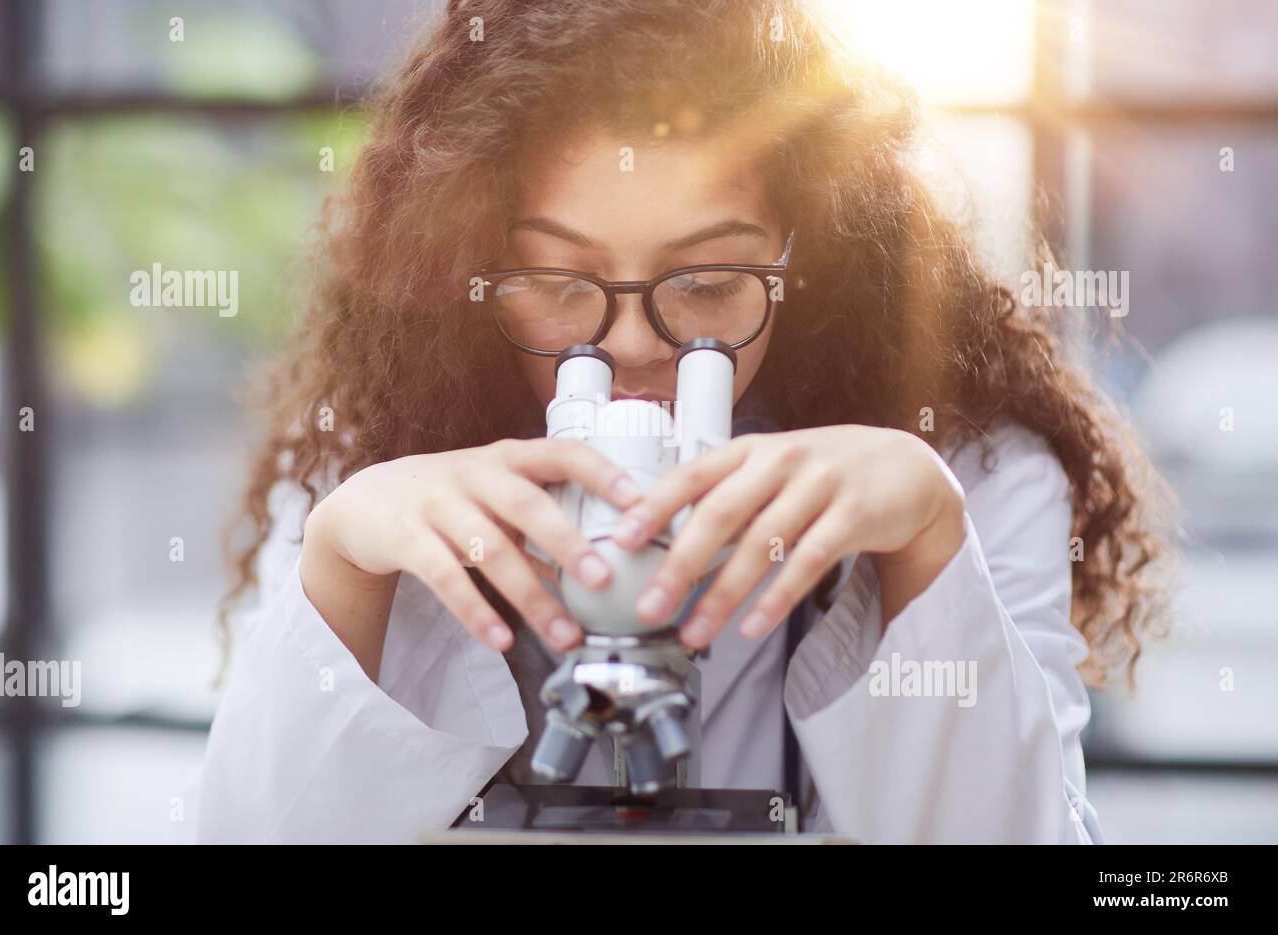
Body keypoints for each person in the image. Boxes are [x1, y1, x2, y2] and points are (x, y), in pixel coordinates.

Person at [192, 0, 1173, 843]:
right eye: (558, 280)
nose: (631, 345)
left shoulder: (983, 474)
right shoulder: (365, 486)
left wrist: (922, 552)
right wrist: (342, 582)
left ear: (812, 265)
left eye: (706, 281)